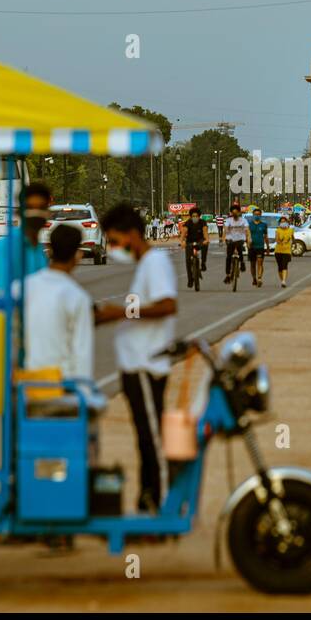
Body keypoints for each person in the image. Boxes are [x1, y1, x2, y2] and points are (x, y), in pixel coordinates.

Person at [95, 203, 178, 514]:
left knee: (152, 441)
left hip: (146, 365)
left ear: (132, 234)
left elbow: (167, 305)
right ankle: (147, 503)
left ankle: (161, 509)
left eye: (115, 241)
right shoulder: (145, 264)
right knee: (144, 440)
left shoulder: (155, 262)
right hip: (135, 367)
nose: (115, 249)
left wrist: (121, 312)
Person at [23, 223, 95, 384]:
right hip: (61, 385)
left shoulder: (22, 287)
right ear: (78, 255)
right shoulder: (77, 297)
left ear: (48, 250)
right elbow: (82, 352)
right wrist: (85, 394)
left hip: (25, 383)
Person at [0, 182, 51, 294]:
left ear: (48, 212)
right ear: (20, 211)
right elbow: (2, 294)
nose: (35, 213)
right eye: (30, 207)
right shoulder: (3, 249)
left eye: (41, 208)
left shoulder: (39, 251)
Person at [180, 206, 207, 288]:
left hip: (200, 241)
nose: (195, 218)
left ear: (199, 216)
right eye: (193, 216)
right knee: (188, 260)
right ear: (191, 216)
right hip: (189, 243)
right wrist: (182, 242)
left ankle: (203, 263)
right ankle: (190, 279)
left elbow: (205, 232)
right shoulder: (188, 223)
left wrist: (206, 240)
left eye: (196, 216)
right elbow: (183, 233)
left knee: (206, 245)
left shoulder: (203, 222)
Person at [222, 204, 248, 283]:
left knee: (240, 250)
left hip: (240, 239)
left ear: (239, 212)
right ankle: (228, 274)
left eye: (236, 212)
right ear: (231, 213)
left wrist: (248, 238)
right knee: (228, 257)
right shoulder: (228, 220)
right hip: (230, 239)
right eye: (233, 213)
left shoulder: (243, 220)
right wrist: (223, 239)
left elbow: (247, 230)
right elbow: (225, 230)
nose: (235, 214)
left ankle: (242, 262)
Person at [246, 208, 269, 286]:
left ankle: (259, 278)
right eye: (255, 214)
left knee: (260, 262)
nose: (257, 216)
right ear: (253, 215)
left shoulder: (264, 225)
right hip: (252, 247)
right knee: (252, 264)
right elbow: (247, 235)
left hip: (260, 246)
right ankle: (254, 278)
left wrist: (268, 246)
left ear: (261, 215)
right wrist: (247, 243)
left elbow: (266, 236)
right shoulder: (249, 225)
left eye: (258, 214)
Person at [274, 213, 295, 288]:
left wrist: (294, 244)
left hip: (287, 251)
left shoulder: (291, 230)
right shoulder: (278, 230)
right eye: (281, 222)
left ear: (287, 222)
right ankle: (282, 280)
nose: (283, 223)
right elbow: (276, 239)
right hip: (278, 251)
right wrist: (280, 242)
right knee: (280, 267)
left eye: (284, 221)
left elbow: (293, 238)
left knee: (284, 265)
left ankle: (284, 281)